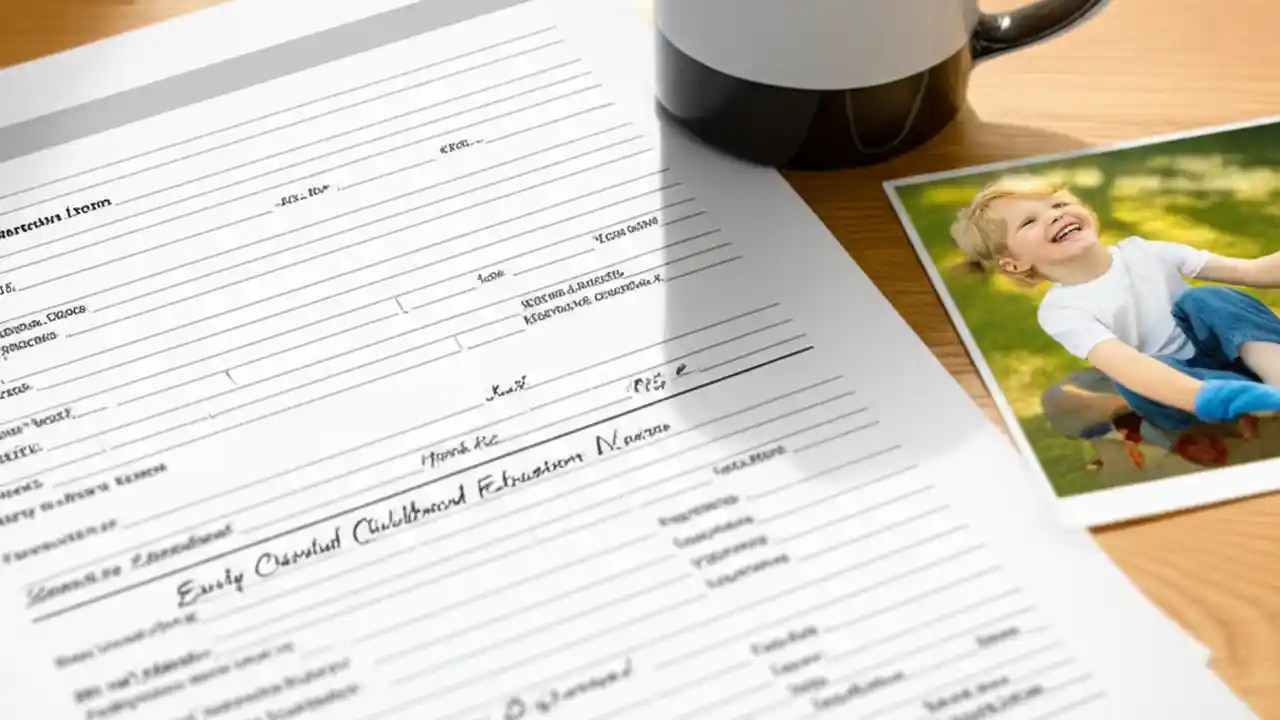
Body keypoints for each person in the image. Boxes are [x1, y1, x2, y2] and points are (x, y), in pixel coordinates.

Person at [950, 175, 1280, 462]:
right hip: (1185, 387)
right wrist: (1213, 397)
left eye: (1058, 204)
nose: (1054, 216)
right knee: (1129, 376)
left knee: (1203, 299)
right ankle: (1245, 407)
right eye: (1028, 221)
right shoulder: (1061, 310)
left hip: (1239, 355)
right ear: (1014, 263)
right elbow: (1125, 365)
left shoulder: (1145, 251)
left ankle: (1274, 378)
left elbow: (1249, 270)